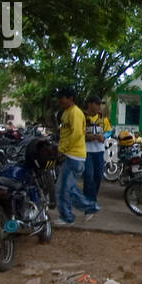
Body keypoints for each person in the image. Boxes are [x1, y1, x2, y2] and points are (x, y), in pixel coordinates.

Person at [55, 88, 93, 225]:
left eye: (62, 98)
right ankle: (89, 207)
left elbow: (76, 134)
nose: (60, 101)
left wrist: (63, 150)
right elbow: (66, 133)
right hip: (71, 155)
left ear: (70, 98)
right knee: (68, 187)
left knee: (63, 188)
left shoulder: (75, 113)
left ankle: (67, 217)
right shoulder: (66, 113)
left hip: (74, 155)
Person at [81, 95, 111, 213]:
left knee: (98, 177)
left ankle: (91, 200)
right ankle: (89, 204)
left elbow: (109, 131)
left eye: (100, 104)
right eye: (97, 104)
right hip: (86, 152)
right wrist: (86, 136)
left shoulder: (103, 119)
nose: (99, 107)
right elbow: (77, 132)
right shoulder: (82, 118)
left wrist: (103, 136)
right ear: (90, 104)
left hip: (99, 152)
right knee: (88, 177)